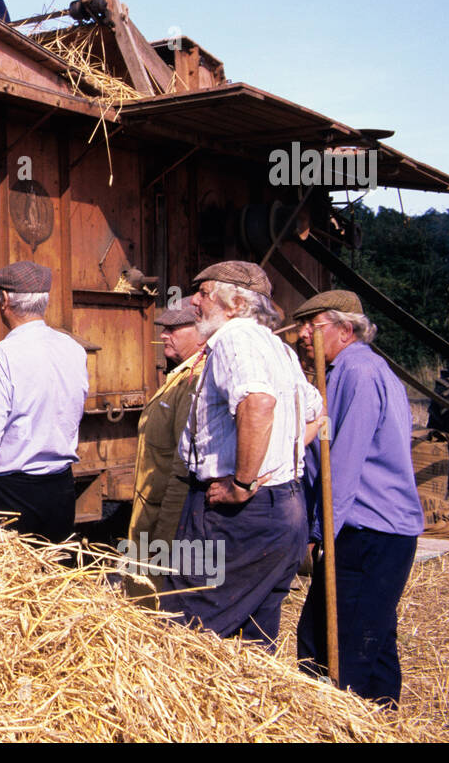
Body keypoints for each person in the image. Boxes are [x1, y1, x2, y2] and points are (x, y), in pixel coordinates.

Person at [163, 261, 323, 648]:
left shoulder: (235, 340)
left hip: (235, 514)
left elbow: (258, 402)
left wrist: (243, 482)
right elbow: (316, 413)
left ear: (234, 302)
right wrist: (276, 459)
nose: (194, 302)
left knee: (184, 629)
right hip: (283, 508)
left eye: (202, 293)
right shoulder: (278, 349)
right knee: (251, 641)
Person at [293, 290, 424, 708]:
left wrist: (319, 532)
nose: (301, 335)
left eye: (311, 327)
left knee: (334, 647)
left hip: (368, 531)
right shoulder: (346, 370)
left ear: (346, 330)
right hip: (373, 529)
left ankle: (345, 727)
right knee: (374, 637)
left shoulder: (358, 371)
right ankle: (383, 725)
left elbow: (342, 462)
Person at [0, 261, 88, 543]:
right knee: (52, 577)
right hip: (61, 488)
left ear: (3, 299)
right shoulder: (73, 350)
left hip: (12, 497)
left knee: (8, 582)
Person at [123, 302, 207, 601]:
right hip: (150, 509)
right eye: (163, 328)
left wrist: (166, 534)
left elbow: (183, 465)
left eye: (173, 329)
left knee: (154, 598)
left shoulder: (195, 378)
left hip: (165, 515)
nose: (164, 335)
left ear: (202, 334)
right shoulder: (180, 374)